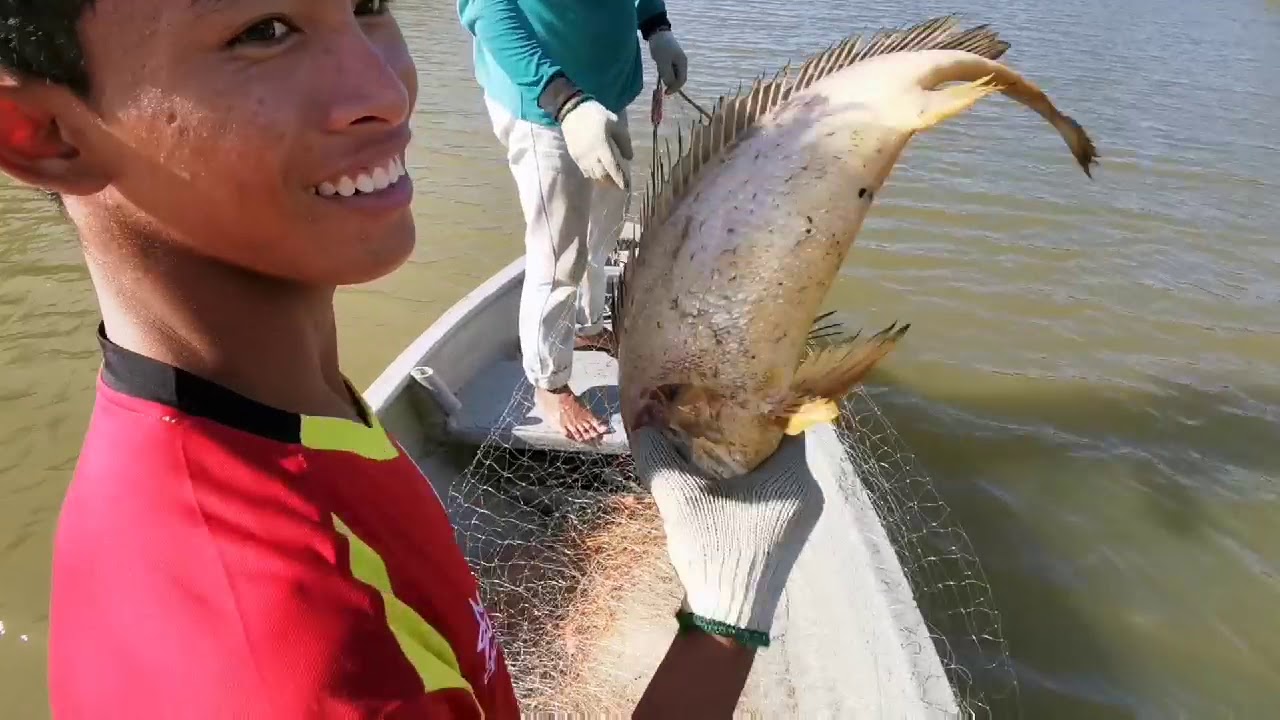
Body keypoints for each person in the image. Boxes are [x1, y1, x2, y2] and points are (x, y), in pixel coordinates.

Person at [0, 1, 821, 718]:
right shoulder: (310, 660)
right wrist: (724, 613)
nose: (387, 94)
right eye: (263, 30)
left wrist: (656, 27)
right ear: (46, 135)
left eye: (367, 2)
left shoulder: (280, 409)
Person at [458, 0, 689, 443]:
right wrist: (565, 103)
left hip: (606, 92)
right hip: (542, 102)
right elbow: (488, 11)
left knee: (605, 225)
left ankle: (587, 328)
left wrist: (656, 27)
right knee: (560, 251)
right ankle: (549, 381)